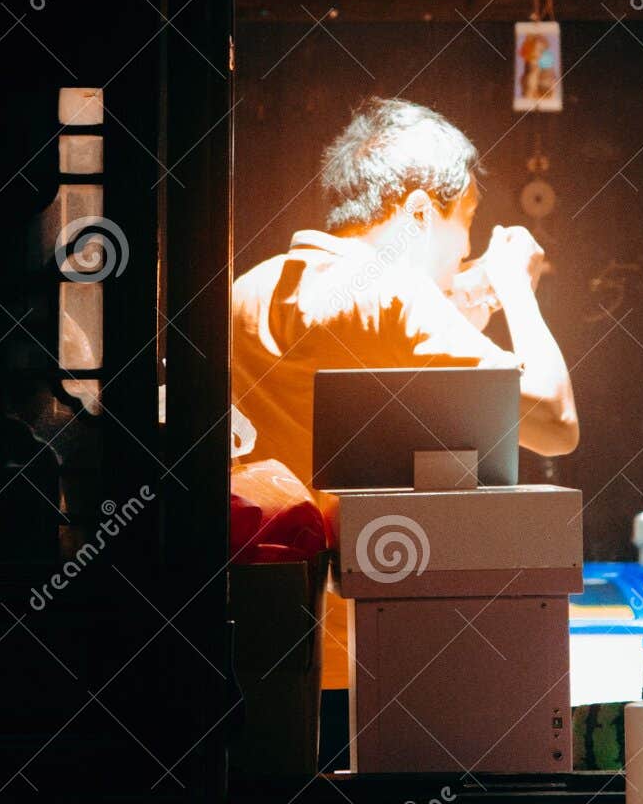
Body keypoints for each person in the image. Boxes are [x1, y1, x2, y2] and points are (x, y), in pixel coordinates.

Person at [231, 96, 579, 718]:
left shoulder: (248, 291)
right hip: (379, 660)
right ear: (419, 212)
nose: (465, 246)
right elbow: (554, 422)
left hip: (261, 656)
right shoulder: (395, 296)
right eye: (465, 218)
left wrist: (460, 307)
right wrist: (516, 289)